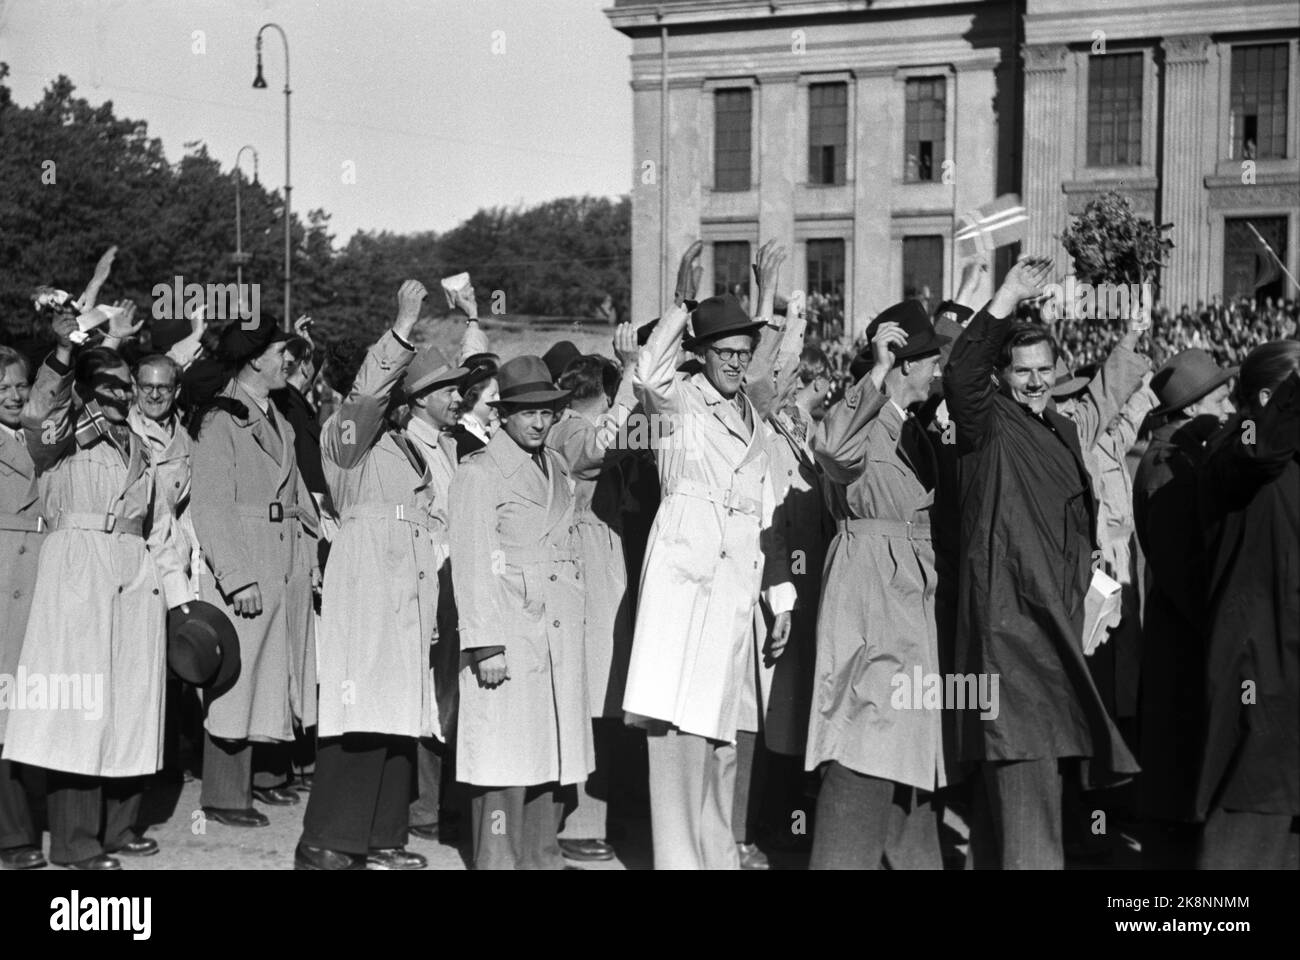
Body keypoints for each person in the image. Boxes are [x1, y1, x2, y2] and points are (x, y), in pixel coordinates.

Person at [943, 256, 1139, 869]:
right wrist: (1003, 297)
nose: (1033, 381)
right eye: (1021, 371)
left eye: (1043, 370)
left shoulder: (1059, 427)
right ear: (1002, 377)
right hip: (1010, 631)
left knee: (1035, 789)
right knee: (1025, 779)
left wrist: (1098, 588)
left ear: (1058, 373)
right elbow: (960, 373)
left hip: (1056, 626)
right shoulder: (988, 423)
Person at [622, 242, 795, 870]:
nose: (735, 364)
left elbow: (763, 513)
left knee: (719, 734)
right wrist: (678, 305)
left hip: (731, 590)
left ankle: (716, 855)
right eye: (724, 353)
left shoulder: (751, 411)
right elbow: (645, 375)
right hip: (683, 585)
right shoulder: (679, 405)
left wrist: (780, 601)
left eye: (742, 355)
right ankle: (678, 861)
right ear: (701, 352)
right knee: (675, 733)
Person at [3, 306, 190, 870]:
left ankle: (117, 828)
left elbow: (158, 524)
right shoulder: (61, 435)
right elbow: (39, 412)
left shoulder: (136, 442)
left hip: (133, 577)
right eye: (106, 383)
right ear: (84, 387)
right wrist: (61, 354)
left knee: (131, 704)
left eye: (123, 383)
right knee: (81, 710)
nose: (119, 392)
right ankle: (76, 842)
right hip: (79, 571)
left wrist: (179, 600)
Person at [295, 281, 454, 870]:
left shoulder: (407, 448)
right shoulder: (346, 433)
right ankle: (326, 842)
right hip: (366, 580)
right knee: (357, 711)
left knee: (398, 714)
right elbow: (367, 392)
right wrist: (403, 324)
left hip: (405, 586)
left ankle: (384, 838)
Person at [807, 302, 953, 869]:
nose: (938, 368)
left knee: (900, 731)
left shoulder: (913, 422)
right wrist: (872, 371)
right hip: (871, 585)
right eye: (930, 359)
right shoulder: (866, 414)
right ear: (906, 363)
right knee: (867, 725)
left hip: (906, 585)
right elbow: (832, 450)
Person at [449, 355, 594, 870]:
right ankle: (499, 861)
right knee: (503, 759)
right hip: (510, 628)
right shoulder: (480, 472)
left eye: (547, 412)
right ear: (503, 414)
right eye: (527, 412)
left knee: (548, 752)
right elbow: (470, 564)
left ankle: (541, 857)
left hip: (553, 626)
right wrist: (486, 644)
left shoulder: (554, 464)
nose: (539, 422)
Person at [189, 313, 320, 828]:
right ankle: (223, 795)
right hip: (249, 562)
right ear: (253, 360)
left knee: (273, 673)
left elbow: (294, 494)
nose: (289, 360)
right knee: (235, 680)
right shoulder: (219, 420)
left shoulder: (275, 415)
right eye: (281, 353)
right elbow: (212, 506)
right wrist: (237, 577)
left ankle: (259, 780)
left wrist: (311, 556)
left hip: (282, 558)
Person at [1195, 341, 1300, 869]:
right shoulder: (1238, 444)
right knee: (1248, 815)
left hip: (1288, 663)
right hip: (1256, 666)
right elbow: (1260, 450)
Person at [1132, 348, 1236, 867]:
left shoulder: (1183, 455)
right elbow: (1184, 570)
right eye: (1221, 397)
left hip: (1184, 639)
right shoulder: (1166, 467)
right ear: (1194, 409)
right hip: (1183, 642)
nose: (1230, 404)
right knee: (1176, 778)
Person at [547, 328, 640, 863]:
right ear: (604, 395)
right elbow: (603, 448)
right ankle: (578, 818)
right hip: (585, 561)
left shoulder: (571, 427)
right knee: (589, 689)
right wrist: (631, 376)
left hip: (602, 558)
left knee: (602, 687)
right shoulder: (570, 432)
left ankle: (593, 813)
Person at [403, 283, 486, 844]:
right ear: (420, 397)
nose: (458, 398)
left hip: (460, 585)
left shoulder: (454, 443)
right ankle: (422, 809)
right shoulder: (408, 445)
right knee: (428, 698)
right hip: (428, 586)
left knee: (451, 696)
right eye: (448, 391)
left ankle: (442, 806)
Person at [0, 347, 46, 870]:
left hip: (34, 582)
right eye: (4, 388)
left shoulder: (32, 436)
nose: (14, 395)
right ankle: (12, 836)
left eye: (20, 385)